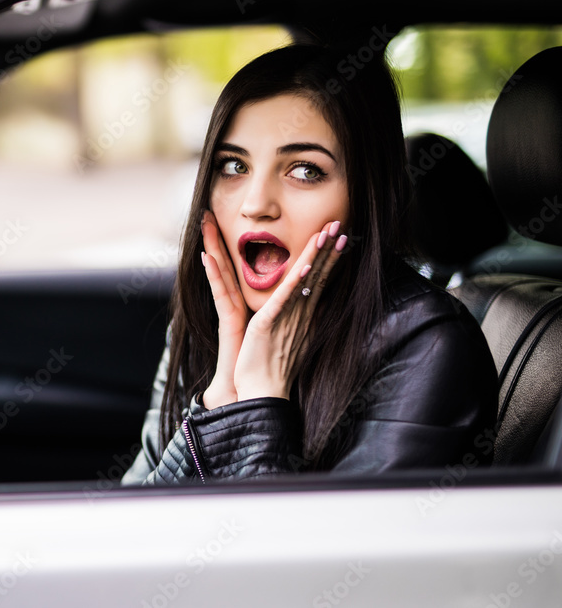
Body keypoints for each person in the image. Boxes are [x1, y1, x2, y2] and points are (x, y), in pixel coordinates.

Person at [122, 44, 498, 485]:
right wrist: (218, 404)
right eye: (233, 165)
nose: (255, 204)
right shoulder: (208, 326)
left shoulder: (428, 345)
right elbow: (136, 531)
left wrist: (257, 408)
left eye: (304, 171)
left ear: (366, 197)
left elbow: (307, 554)